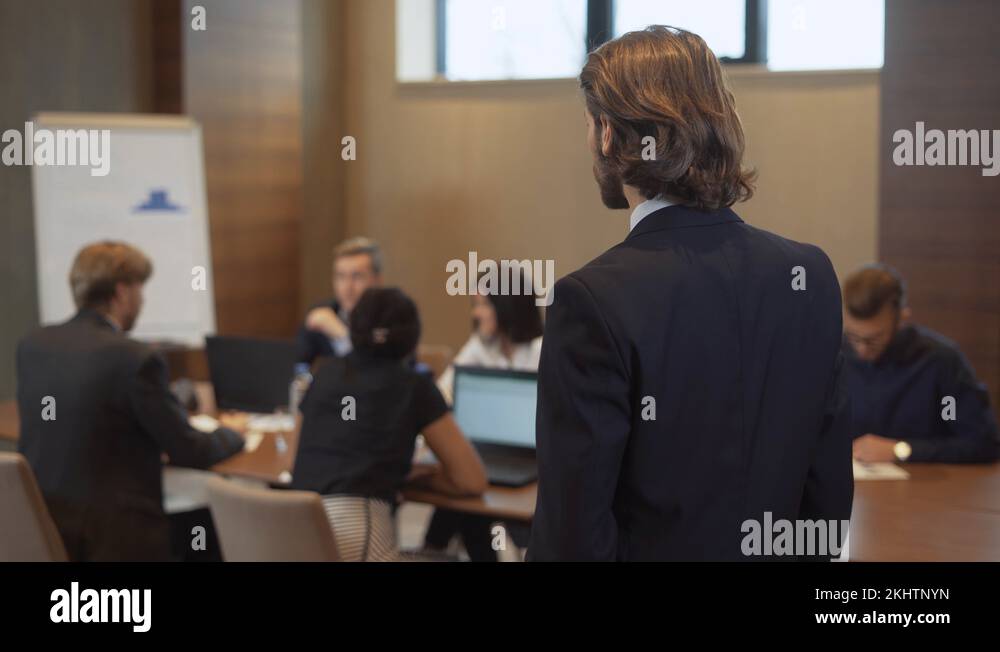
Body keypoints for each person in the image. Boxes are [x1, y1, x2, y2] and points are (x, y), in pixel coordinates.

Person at [527, 26, 852, 561]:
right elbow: (827, 500)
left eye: (589, 124)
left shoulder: (589, 301)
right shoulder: (810, 276)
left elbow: (572, 537)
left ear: (608, 133)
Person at [16, 241, 245, 561]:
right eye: (141, 289)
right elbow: (190, 450)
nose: (143, 298)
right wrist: (235, 434)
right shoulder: (134, 358)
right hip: (117, 539)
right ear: (122, 292)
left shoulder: (34, 345)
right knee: (203, 531)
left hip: (51, 526)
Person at [291, 287, 487, 561]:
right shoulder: (415, 387)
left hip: (295, 535)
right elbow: (471, 480)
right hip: (357, 539)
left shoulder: (323, 374)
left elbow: (295, 457)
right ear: (412, 336)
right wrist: (419, 476)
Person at [423, 283, 543, 561]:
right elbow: (442, 393)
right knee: (465, 494)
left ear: (507, 306)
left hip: (534, 459)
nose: (477, 314)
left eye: (483, 305)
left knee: (466, 496)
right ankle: (435, 549)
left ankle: (433, 548)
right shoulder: (481, 345)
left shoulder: (542, 350)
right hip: (487, 452)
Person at [843, 264, 1000, 464]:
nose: (862, 350)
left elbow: (983, 443)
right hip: (851, 487)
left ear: (901, 319)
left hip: (925, 487)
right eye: (853, 337)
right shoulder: (835, 357)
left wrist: (902, 449)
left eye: (874, 339)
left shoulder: (940, 362)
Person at [296, 237, 383, 365]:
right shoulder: (319, 316)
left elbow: (380, 373)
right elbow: (299, 370)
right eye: (341, 276)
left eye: (357, 276)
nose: (347, 287)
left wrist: (341, 335)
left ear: (377, 281)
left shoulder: (393, 321)